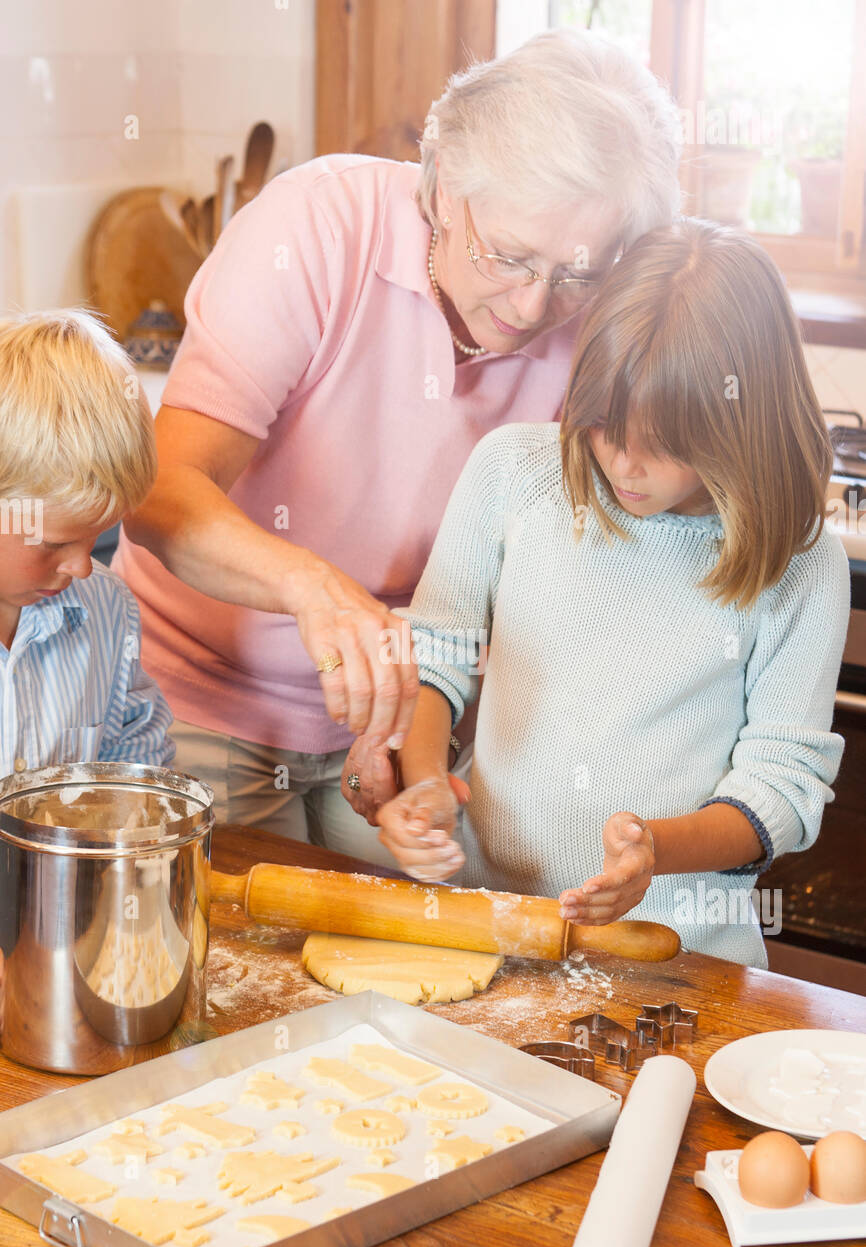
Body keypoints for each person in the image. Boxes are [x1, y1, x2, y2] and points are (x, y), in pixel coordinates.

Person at [115, 29, 682, 861]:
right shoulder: (313, 230)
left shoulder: (605, 315)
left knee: (425, 969)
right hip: (202, 702)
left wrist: (422, 712)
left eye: (577, 272)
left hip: (408, 716)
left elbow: (551, 566)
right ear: (444, 186)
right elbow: (157, 492)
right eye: (509, 256)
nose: (532, 307)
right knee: (229, 968)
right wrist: (316, 591)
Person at [374, 220, 850, 966]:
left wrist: (653, 850)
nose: (626, 465)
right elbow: (436, 655)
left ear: (739, 420)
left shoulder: (799, 564)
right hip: (491, 923)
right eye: (603, 426)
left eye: (662, 444)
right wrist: (426, 781)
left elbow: (781, 789)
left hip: (681, 954)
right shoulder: (512, 473)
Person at [0, 310, 174, 777]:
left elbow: (136, 752)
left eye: (95, 536)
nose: (81, 566)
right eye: (54, 544)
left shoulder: (109, 608)